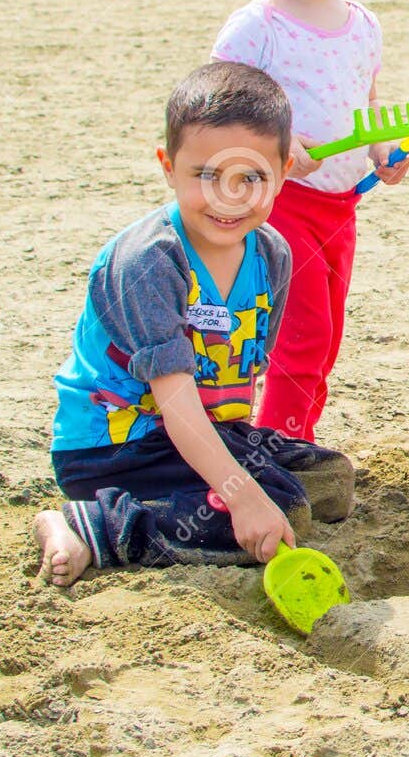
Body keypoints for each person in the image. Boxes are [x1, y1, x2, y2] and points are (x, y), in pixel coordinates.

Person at [35, 62, 354, 588]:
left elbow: (243, 374)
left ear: (285, 169)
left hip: (202, 430)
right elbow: (175, 403)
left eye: (250, 178)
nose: (229, 198)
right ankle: (96, 523)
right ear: (168, 166)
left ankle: (196, 494)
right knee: (278, 512)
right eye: (206, 175)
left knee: (329, 479)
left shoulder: (271, 253)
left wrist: (244, 468)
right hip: (120, 446)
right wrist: (244, 494)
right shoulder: (150, 262)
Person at [212, 0, 409, 443]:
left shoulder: (364, 26)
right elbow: (214, 114)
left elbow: (365, 106)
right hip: (278, 207)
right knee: (302, 334)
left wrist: (384, 152)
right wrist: (274, 143)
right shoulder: (257, 28)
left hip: (341, 205)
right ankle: (278, 449)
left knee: (325, 339)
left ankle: (294, 440)